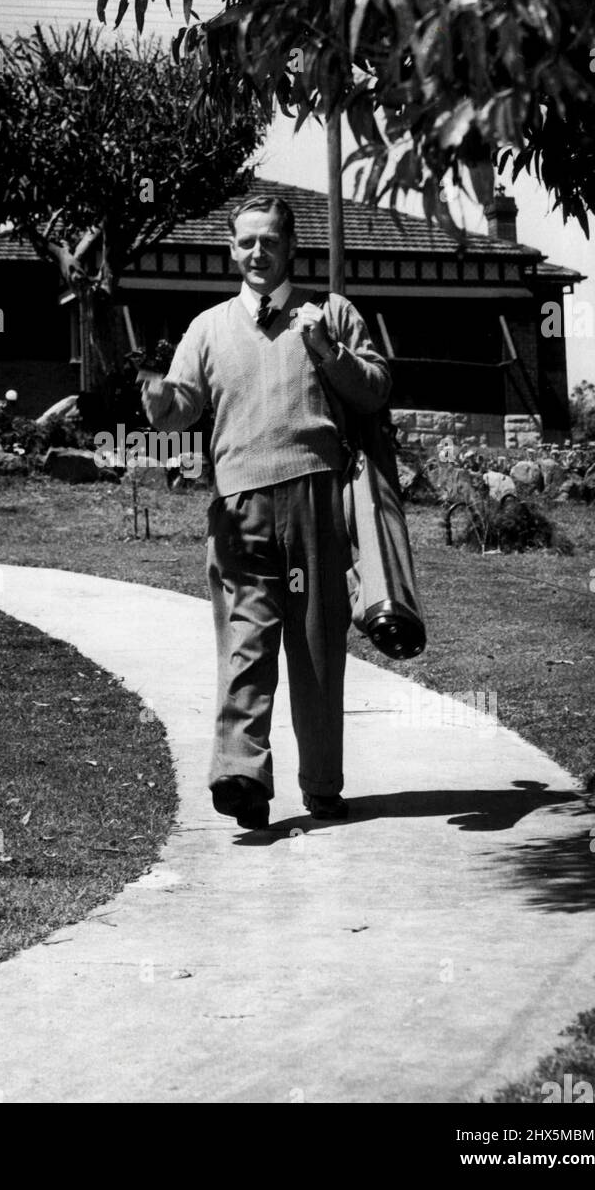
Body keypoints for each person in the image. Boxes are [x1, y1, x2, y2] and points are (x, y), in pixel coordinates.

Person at [141, 194, 391, 829]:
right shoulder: (208, 327)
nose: (258, 252)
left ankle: (323, 786)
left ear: (290, 248)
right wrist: (155, 393)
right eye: (247, 242)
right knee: (245, 643)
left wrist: (327, 350)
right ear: (231, 249)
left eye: (270, 241)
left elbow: (376, 388)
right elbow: (179, 407)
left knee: (316, 647)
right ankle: (241, 777)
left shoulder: (331, 312)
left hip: (316, 500)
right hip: (241, 509)